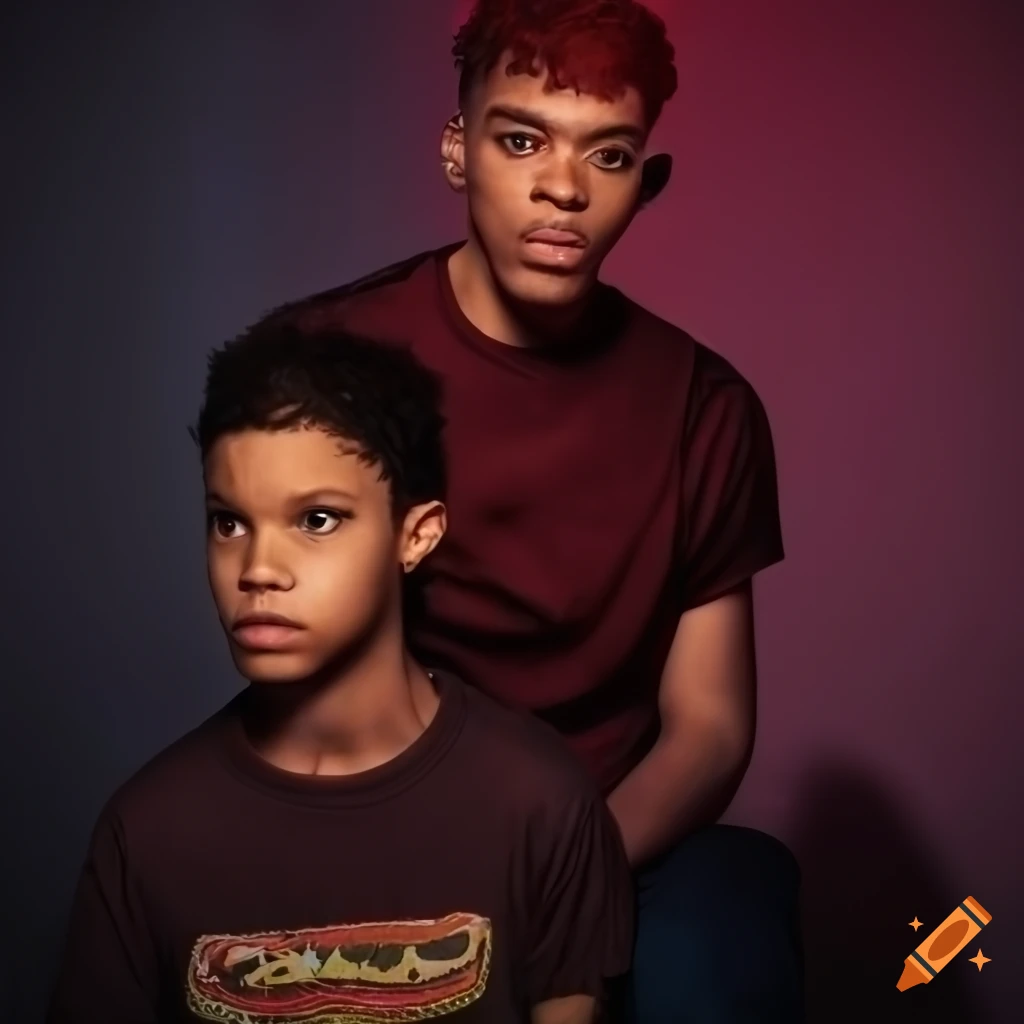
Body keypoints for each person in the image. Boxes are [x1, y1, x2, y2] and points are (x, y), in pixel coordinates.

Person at [264, 0, 803, 1019]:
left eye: (607, 156)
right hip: (387, 821)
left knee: (731, 925)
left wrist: (561, 873)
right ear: (457, 149)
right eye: (521, 140)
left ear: (645, 181)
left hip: (617, 834)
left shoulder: (708, 407)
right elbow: (294, 657)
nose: (561, 189)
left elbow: (709, 725)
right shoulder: (323, 363)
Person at [47, 325, 634, 1024]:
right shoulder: (146, 831)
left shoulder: (540, 805)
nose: (259, 569)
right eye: (229, 523)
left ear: (415, 536)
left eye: (317, 519)